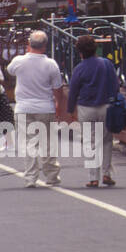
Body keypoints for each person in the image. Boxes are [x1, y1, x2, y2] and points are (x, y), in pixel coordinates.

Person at [9, 30, 65, 188]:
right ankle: (52, 176)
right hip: (45, 107)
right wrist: (58, 105)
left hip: (23, 107)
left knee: (28, 143)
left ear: (29, 44)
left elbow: (10, 71)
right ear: (45, 46)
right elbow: (58, 89)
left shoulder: (19, 61)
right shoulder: (51, 64)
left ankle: (30, 177)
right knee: (47, 143)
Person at [67, 35, 118, 188]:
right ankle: (106, 173)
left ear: (80, 52)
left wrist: (70, 110)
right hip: (105, 106)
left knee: (90, 142)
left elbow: (73, 91)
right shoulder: (106, 64)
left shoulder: (79, 68)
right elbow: (115, 85)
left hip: (86, 107)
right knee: (107, 140)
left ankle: (93, 177)